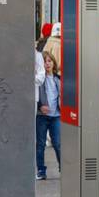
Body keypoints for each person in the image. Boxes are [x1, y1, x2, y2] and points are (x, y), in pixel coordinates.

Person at [35, 49, 62, 180]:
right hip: (41, 116)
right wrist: (40, 106)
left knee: (57, 143)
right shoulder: (39, 79)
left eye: (49, 61)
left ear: (53, 63)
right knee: (40, 144)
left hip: (56, 116)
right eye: (44, 62)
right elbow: (35, 95)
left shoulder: (58, 79)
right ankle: (41, 171)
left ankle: (64, 168)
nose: (47, 64)